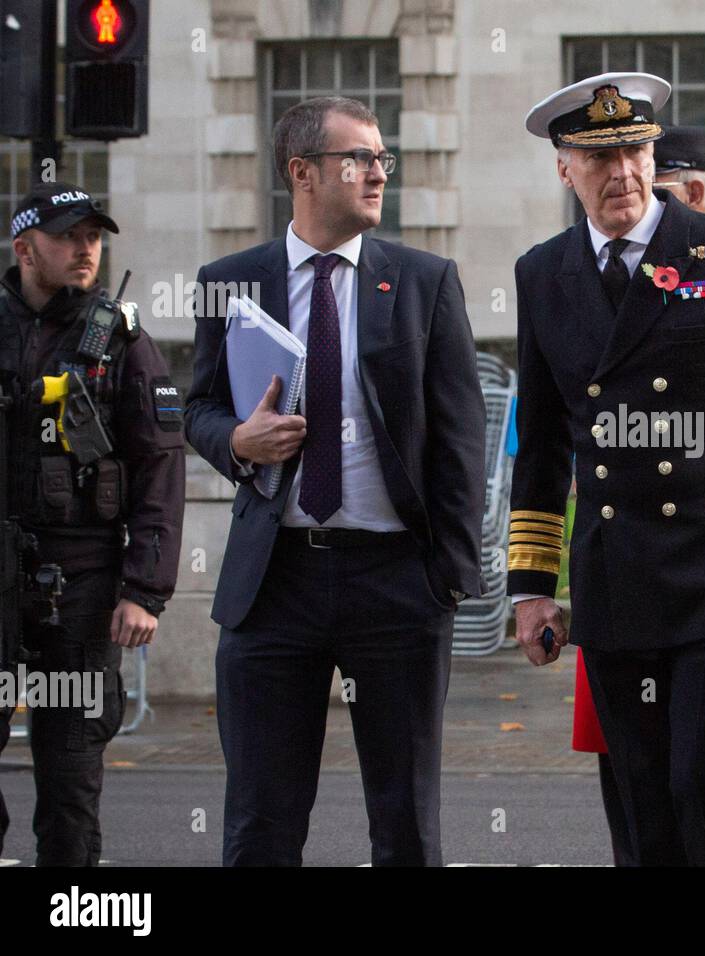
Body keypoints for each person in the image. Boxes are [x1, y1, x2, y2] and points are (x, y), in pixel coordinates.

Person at [509, 73, 705, 866]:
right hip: (616, 580)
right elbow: (546, 442)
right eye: (598, 157)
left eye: (634, 151)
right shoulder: (542, 272)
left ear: (655, 154)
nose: (621, 173)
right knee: (640, 800)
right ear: (564, 169)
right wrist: (531, 588)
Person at [184, 96, 486, 866]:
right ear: (303, 173)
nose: (379, 172)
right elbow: (198, 411)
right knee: (260, 822)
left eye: (384, 157)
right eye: (359, 158)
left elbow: (459, 440)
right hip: (273, 583)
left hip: (395, 584)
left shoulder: (424, 282)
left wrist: (445, 579)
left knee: (407, 825)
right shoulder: (231, 281)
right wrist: (239, 442)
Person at [0, 181, 185, 866]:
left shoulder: (121, 340)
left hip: (80, 581)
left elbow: (161, 465)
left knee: (71, 773)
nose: (86, 250)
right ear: (25, 247)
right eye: (68, 236)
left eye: (94, 236)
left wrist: (146, 587)